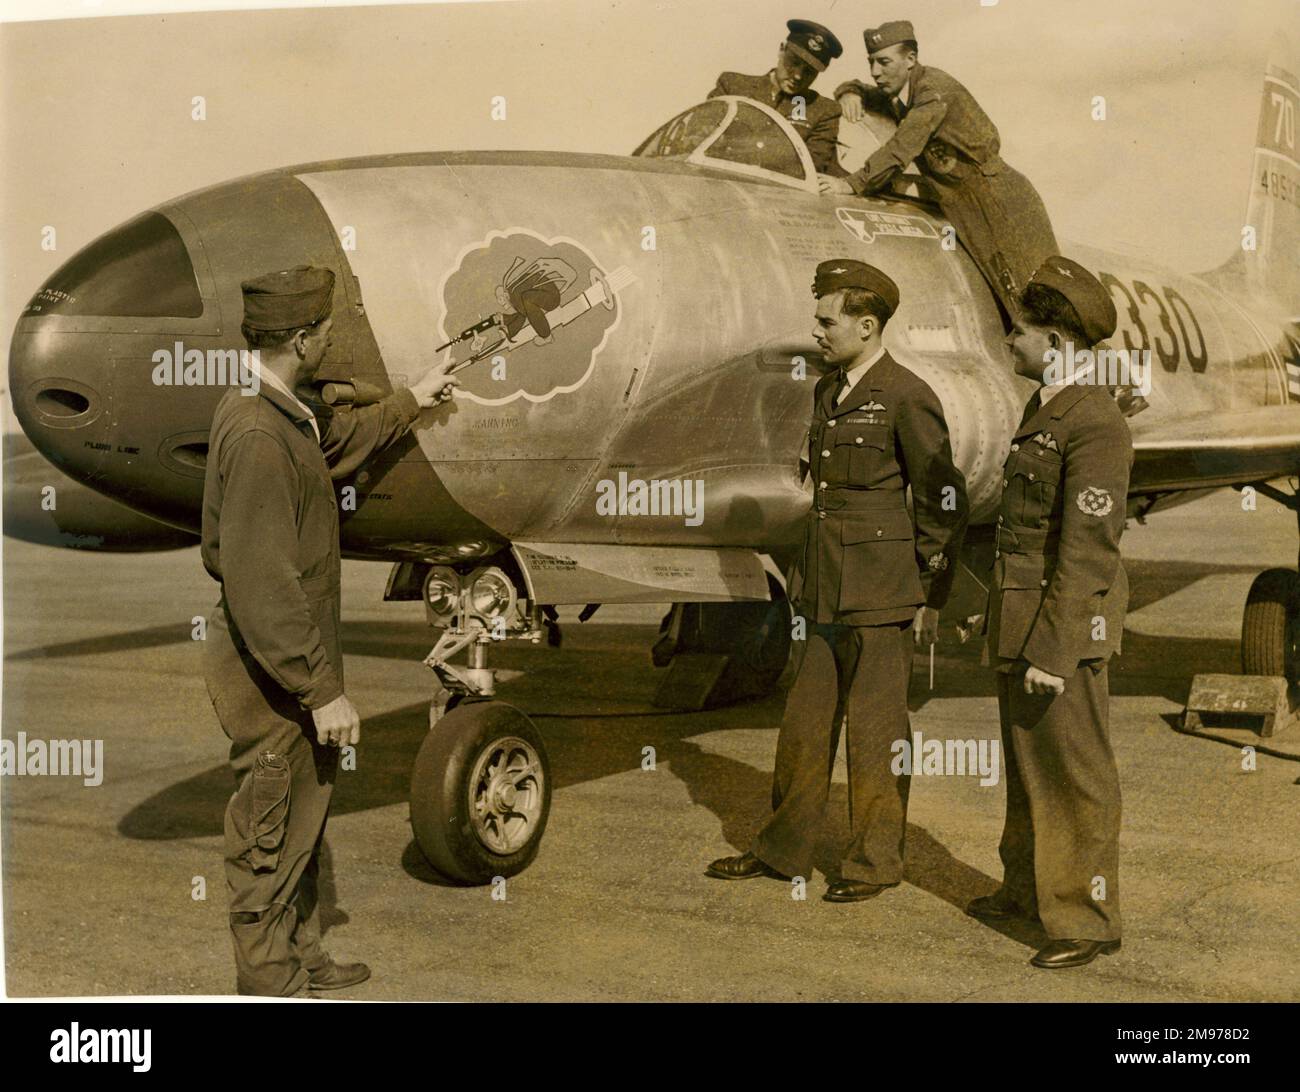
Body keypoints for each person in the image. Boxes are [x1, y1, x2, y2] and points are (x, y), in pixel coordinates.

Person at [201, 265, 458, 996]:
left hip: (287, 659)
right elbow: (260, 578)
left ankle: (305, 959)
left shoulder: (277, 412)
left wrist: (413, 400)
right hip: (274, 666)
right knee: (267, 833)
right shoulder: (258, 432)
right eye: (323, 334)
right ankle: (271, 984)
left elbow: (336, 446)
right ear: (305, 340)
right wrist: (319, 691)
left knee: (303, 819)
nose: (328, 346)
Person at [707, 259, 967, 902]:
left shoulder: (907, 394)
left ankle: (874, 861)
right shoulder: (830, 390)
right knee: (804, 724)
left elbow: (944, 498)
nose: (817, 331)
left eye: (828, 320)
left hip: (881, 593)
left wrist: (927, 584)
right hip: (823, 585)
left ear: (867, 324)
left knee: (877, 733)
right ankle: (782, 850)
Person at [971, 255, 1131, 969]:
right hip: (1024, 616)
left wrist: (1055, 650)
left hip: (1061, 627)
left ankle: (1085, 919)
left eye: (1020, 332)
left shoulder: (1094, 423)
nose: (1010, 342)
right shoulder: (1046, 408)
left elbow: (1087, 551)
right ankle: (1027, 889)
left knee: (1074, 772)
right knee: (1027, 763)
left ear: (1057, 344)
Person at [819, 20, 1057, 324]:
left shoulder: (933, 92)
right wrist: (850, 91)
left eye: (883, 62)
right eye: (871, 63)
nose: (875, 72)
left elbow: (902, 148)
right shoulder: (903, 91)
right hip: (963, 204)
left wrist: (852, 184)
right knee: (1008, 303)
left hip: (1000, 202)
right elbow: (866, 90)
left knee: (1038, 305)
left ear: (911, 60)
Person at [709, 19, 846, 176]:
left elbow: (810, 168)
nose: (798, 76)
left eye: (809, 71)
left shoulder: (824, 110)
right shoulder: (732, 85)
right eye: (793, 62)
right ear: (782, 49)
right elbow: (700, 135)